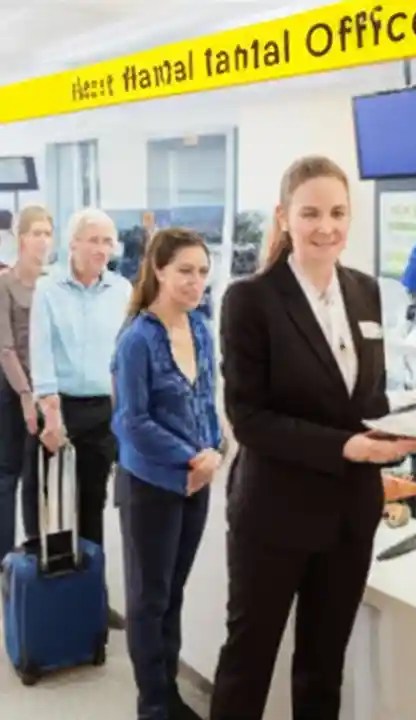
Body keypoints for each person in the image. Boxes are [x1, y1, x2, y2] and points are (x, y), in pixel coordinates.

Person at [209, 155, 416, 720]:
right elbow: (248, 418)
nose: (325, 226)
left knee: (323, 666)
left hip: (349, 513)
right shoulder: (250, 300)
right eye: (310, 213)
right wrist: (345, 447)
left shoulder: (364, 291)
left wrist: (407, 428)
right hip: (274, 513)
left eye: (337, 212)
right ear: (284, 217)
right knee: (248, 662)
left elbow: (366, 398)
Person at [112, 227, 222, 720]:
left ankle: (169, 693)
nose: (195, 282)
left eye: (202, 272)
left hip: (196, 483)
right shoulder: (137, 339)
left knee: (173, 594)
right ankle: (152, 704)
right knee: (148, 599)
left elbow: (207, 402)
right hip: (151, 485)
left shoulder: (200, 327)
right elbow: (131, 421)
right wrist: (190, 458)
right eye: (184, 271)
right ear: (158, 270)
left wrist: (215, 450)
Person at [29, 207, 131, 550]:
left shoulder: (122, 290)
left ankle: (89, 592)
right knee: (57, 505)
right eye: (93, 240)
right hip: (62, 408)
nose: (101, 249)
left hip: (105, 410)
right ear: (73, 244)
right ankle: (56, 589)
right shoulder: (48, 288)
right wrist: (51, 413)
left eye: (107, 241)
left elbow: (125, 352)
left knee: (93, 502)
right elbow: (40, 350)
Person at [0, 205, 51, 556]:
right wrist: (25, 394)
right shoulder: (4, 283)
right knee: (7, 475)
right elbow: (5, 347)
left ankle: (36, 552)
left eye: (48, 233)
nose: (43, 241)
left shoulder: (52, 284)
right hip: (11, 387)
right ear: (21, 239)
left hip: (47, 388)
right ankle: (3, 559)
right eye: (36, 233)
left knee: (39, 479)